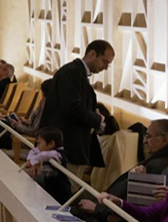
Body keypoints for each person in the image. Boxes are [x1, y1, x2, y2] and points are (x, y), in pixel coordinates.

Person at [40, 39, 113, 176]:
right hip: (68, 146)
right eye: (104, 62)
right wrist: (97, 118)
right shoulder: (72, 73)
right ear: (92, 54)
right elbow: (72, 108)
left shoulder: (76, 73)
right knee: (64, 187)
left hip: (71, 146)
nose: (105, 67)